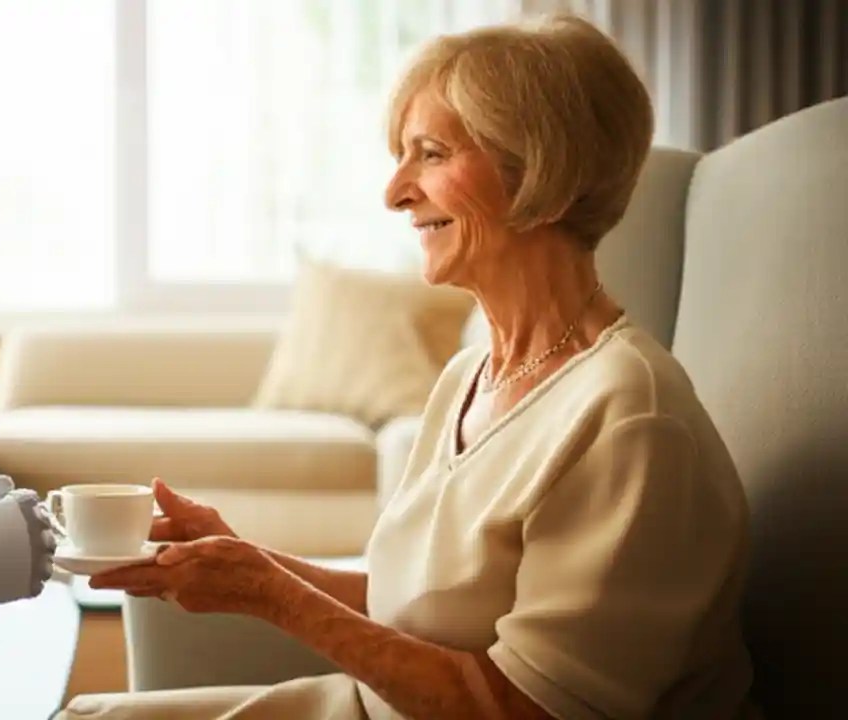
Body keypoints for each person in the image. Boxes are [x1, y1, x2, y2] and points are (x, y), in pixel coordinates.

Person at [61, 14, 753, 720]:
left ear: (542, 167)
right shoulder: (469, 377)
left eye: (430, 154)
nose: (395, 192)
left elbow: (532, 710)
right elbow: (414, 614)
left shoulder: (627, 414)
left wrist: (271, 596)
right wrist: (246, 561)